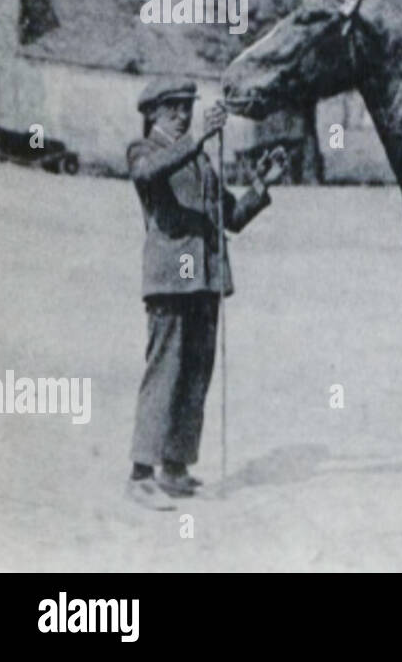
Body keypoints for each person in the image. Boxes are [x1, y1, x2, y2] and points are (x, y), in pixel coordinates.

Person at [124, 77, 285, 510]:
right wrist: (199, 139)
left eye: (187, 106)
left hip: (205, 281)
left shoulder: (201, 162)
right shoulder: (145, 151)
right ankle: (141, 473)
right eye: (173, 107)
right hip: (171, 280)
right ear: (153, 113)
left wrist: (262, 186)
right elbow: (147, 174)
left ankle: (175, 466)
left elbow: (228, 217)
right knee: (165, 372)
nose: (183, 113)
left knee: (196, 374)